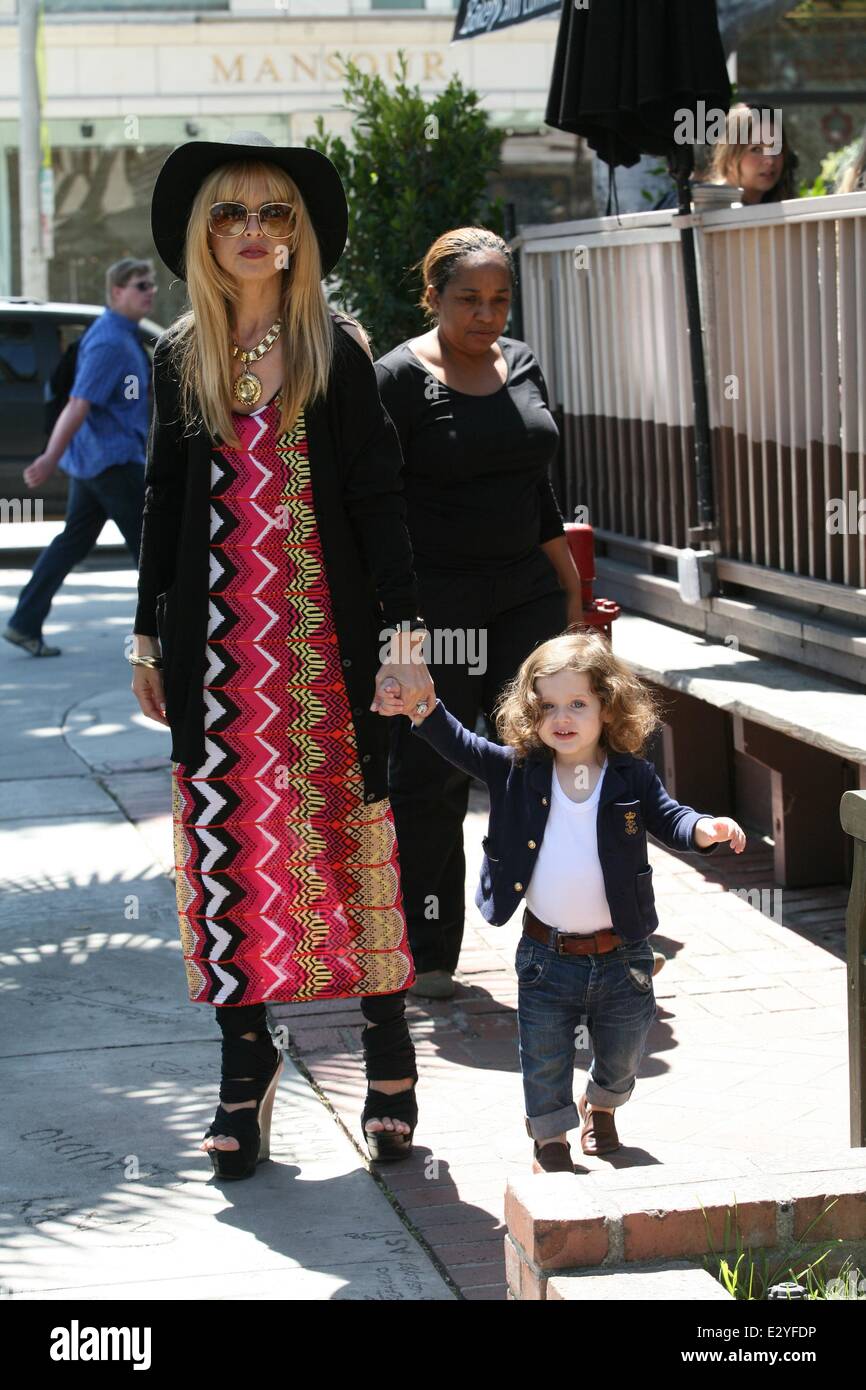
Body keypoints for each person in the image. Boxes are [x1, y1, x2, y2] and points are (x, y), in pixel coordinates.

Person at [130, 130, 435, 1179]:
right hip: (217, 659)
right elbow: (162, 502)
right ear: (201, 234)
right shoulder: (180, 355)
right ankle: (242, 1062)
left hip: (324, 650)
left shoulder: (332, 349)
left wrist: (403, 638)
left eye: (273, 214)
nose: (252, 232)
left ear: (298, 235)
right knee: (226, 860)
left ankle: (388, 1052)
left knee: (355, 843)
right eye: (230, 214)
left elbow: (379, 501)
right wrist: (143, 630)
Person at [376, 629, 745, 1173]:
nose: (562, 717)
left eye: (577, 703)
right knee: (544, 1058)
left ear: (608, 707)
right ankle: (550, 1140)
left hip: (624, 956)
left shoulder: (630, 775)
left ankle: (601, 1102)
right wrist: (423, 707)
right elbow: (460, 744)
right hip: (546, 954)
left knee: (623, 1053)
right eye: (547, 706)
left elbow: (671, 816)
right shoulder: (517, 770)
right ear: (531, 714)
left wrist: (705, 828)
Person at [374, 227, 583, 1000]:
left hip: (525, 595)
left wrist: (569, 589)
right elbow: (372, 502)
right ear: (432, 297)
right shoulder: (395, 379)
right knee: (430, 770)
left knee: (548, 760)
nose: (487, 316)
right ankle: (428, 952)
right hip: (439, 605)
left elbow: (536, 488)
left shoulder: (521, 363)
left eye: (499, 299)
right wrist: (392, 620)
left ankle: (571, 928)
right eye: (469, 299)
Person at [3, 258, 156, 657]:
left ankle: (23, 623)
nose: (150, 292)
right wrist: (50, 458)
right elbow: (78, 403)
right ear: (117, 292)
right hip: (112, 463)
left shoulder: (122, 336)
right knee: (155, 550)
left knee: (72, 542)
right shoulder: (110, 341)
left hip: (98, 461)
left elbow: (123, 397)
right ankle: (171, 639)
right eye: (141, 285)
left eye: (151, 285)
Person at [654, 103, 798, 210]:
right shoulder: (691, 205)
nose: (770, 160)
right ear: (729, 153)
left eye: (775, 147)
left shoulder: (785, 209)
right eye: (756, 149)